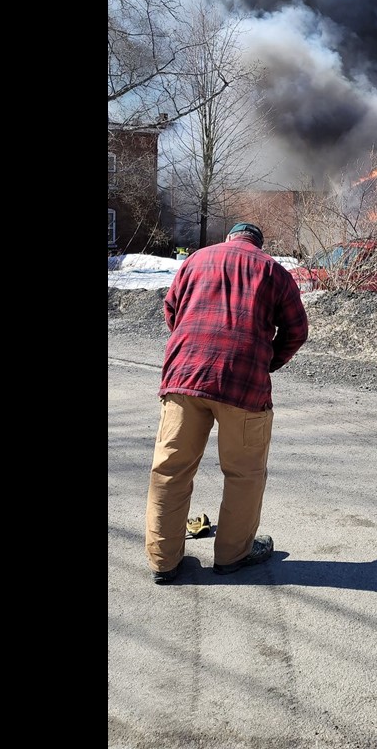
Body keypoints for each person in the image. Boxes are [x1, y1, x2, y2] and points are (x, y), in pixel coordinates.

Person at [145, 222, 308, 584]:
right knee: (244, 473)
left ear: (229, 239)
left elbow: (171, 310)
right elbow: (297, 331)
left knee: (170, 470)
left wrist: (192, 350)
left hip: (184, 378)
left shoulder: (196, 261)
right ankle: (232, 555)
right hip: (244, 384)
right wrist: (267, 363)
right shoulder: (273, 270)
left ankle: (163, 561)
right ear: (258, 244)